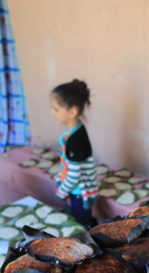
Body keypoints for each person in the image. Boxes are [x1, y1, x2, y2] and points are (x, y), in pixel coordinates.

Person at [50, 79, 98, 228]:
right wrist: (60, 177)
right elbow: (67, 164)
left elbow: (74, 175)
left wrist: (61, 192)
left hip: (79, 193)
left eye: (56, 109)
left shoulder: (76, 139)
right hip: (74, 190)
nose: (53, 113)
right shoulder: (70, 131)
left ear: (72, 112)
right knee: (78, 220)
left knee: (81, 227)